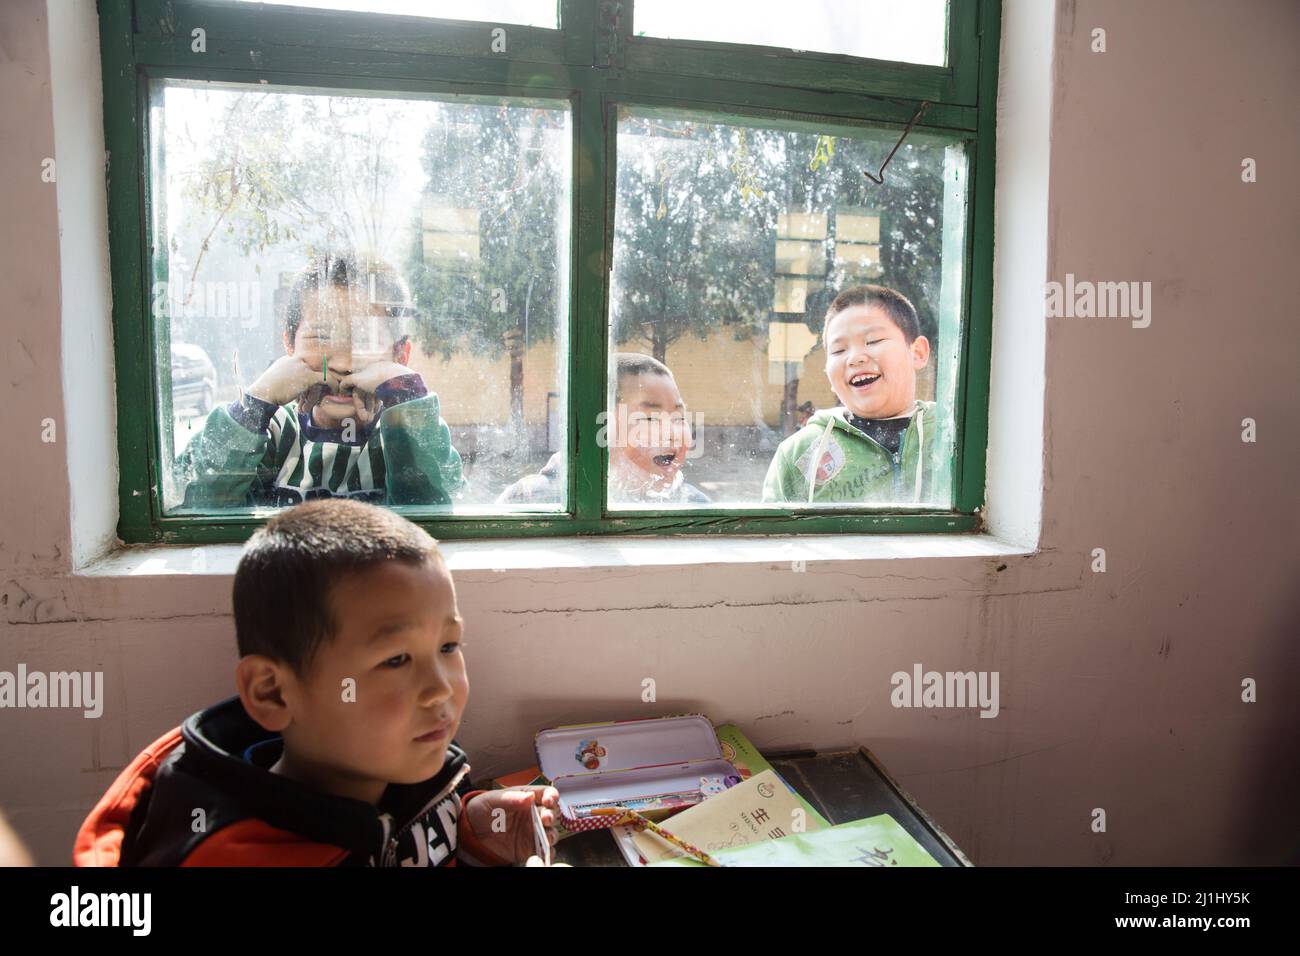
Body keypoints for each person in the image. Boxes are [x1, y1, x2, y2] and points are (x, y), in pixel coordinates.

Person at [74, 499, 559, 867]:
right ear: (272, 692)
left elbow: (403, 836)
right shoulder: (235, 856)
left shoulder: (404, 763)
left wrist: (474, 827)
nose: (441, 689)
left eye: (448, 648)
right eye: (395, 660)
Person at [175, 252, 464, 509]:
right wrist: (256, 403)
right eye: (321, 336)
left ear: (400, 355)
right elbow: (199, 500)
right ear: (289, 345)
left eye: (365, 340)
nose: (340, 363)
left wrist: (405, 397)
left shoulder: (404, 434)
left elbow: (441, 508)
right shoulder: (271, 433)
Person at [762, 285, 952, 505]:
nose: (854, 358)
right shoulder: (798, 452)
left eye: (873, 341)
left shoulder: (951, 434)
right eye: (839, 351)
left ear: (917, 353)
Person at [497, 352, 710, 506]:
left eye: (679, 418)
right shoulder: (533, 500)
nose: (672, 433)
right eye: (651, 418)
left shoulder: (695, 507)